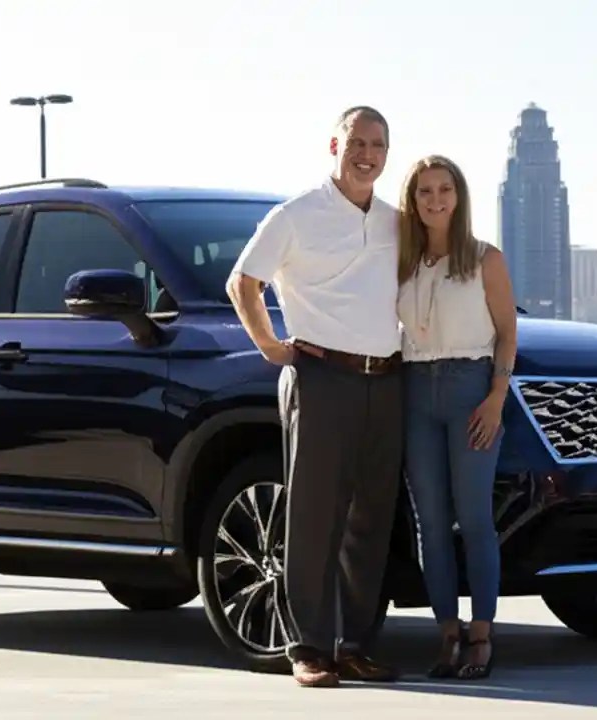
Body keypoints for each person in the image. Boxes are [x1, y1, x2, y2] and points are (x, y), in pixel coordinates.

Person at [225, 106, 404, 688]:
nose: (367, 155)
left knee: (371, 519)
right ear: (335, 146)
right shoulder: (296, 215)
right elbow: (242, 281)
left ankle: (353, 645)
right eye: (357, 142)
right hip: (322, 376)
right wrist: (270, 346)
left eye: (378, 145)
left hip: (387, 379)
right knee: (313, 516)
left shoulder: (395, 221)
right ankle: (307, 648)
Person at [396, 154, 517, 681]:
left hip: (472, 389)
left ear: (459, 196)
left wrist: (495, 398)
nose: (435, 199)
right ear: (413, 200)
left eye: (444, 189)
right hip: (415, 391)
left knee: (474, 518)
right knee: (430, 522)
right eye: (424, 191)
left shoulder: (485, 258)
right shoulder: (402, 262)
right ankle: (447, 632)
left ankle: (481, 634)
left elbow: (508, 333)